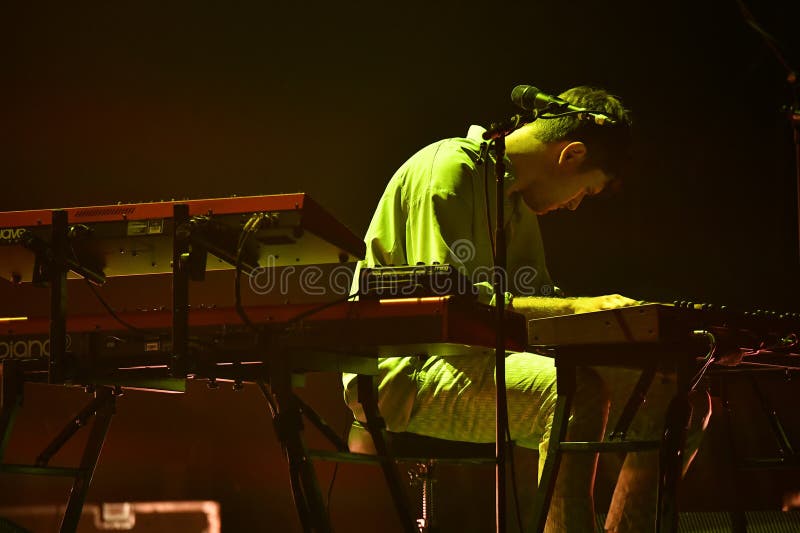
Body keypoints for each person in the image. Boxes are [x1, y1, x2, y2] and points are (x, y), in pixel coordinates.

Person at [342, 85, 711, 532]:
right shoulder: (449, 167)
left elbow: (534, 306)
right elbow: (451, 307)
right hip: (411, 373)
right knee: (575, 391)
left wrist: (623, 331)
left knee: (675, 394)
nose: (574, 205)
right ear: (570, 155)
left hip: (479, 361)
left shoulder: (515, 200)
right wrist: (581, 309)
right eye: (585, 192)